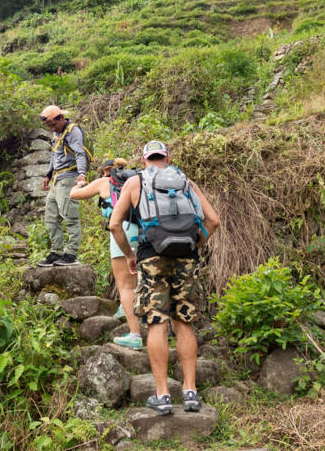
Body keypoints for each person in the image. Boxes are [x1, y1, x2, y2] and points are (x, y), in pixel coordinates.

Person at [110, 140, 220, 415]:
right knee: (184, 322)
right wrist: (196, 245)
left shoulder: (135, 182)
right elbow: (213, 221)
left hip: (151, 256)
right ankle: (190, 392)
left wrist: (129, 255)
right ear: (167, 158)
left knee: (156, 322)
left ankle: (162, 395)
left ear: (145, 159)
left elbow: (114, 224)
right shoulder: (185, 181)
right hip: (187, 257)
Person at [70, 158, 143, 349]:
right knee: (134, 279)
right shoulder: (133, 181)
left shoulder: (104, 182)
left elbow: (74, 195)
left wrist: (79, 183)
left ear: (104, 172)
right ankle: (126, 310)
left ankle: (135, 334)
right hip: (141, 230)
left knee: (125, 285)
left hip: (122, 229)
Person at [37, 105, 89, 267]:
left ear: (61, 118)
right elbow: (55, 155)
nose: (52, 128)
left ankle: (71, 253)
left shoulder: (73, 131)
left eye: (53, 124)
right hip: (56, 179)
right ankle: (56, 252)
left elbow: (80, 153)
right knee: (51, 218)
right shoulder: (56, 133)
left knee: (70, 216)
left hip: (69, 177)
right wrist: (48, 174)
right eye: (49, 126)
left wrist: (82, 174)